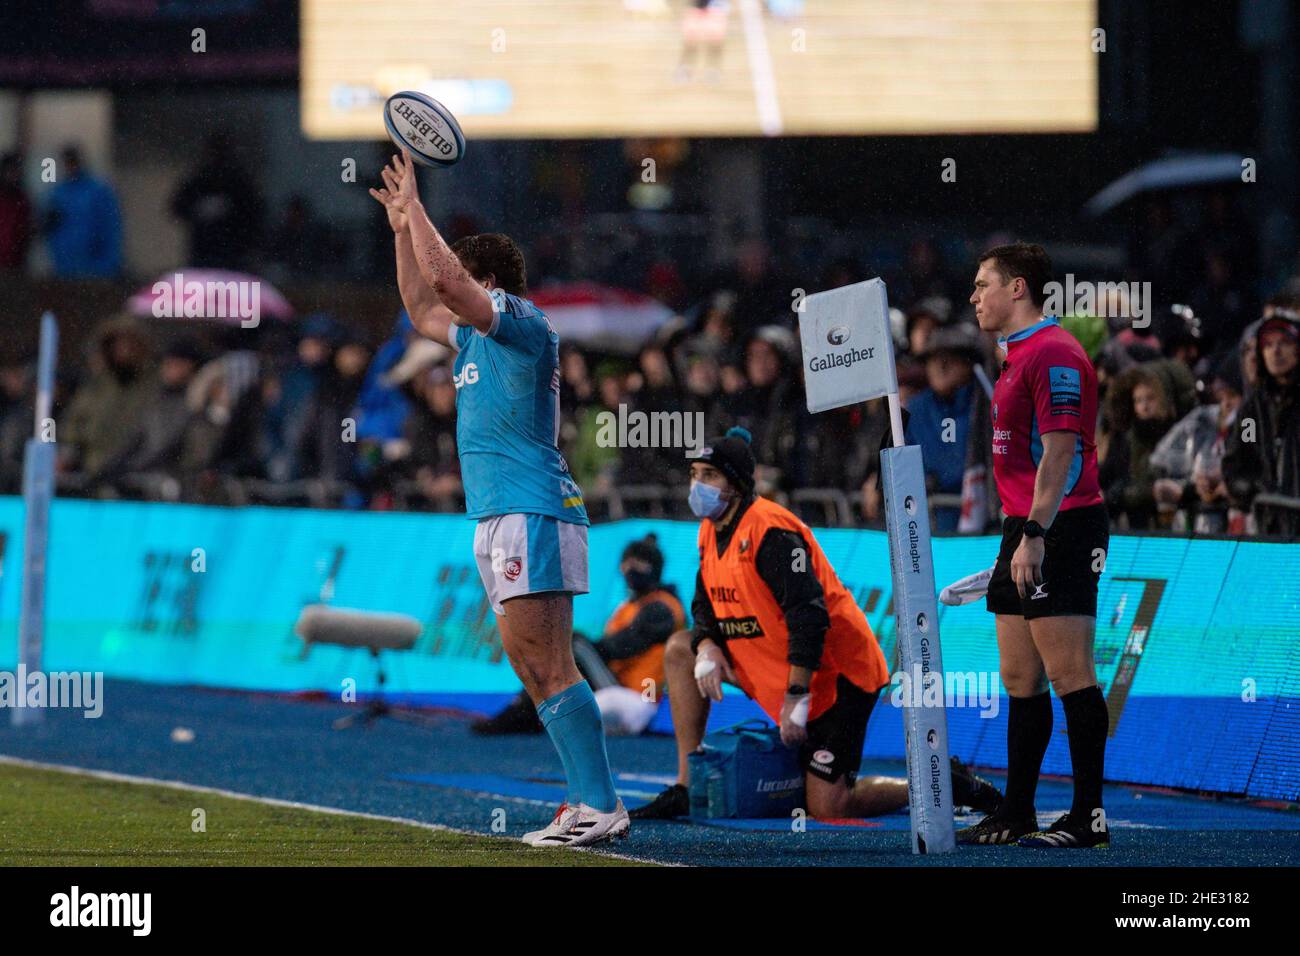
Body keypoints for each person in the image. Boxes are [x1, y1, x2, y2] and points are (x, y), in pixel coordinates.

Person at [369, 150, 626, 848]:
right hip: (502, 513)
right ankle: (585, 802)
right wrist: (399, 228)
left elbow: (445, 285)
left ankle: (602, 804)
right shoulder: (471, 339)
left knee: (548, 661)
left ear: (489, 282)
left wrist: (419, 208)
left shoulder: (522, 322)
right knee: (531, 664)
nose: (442, 273)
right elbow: (424, 304)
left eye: (457, 269)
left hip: (531, 508)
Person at [631, 428, 1001, 820]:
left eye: (709, 476)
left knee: (827, 806)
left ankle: (941, 781)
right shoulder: (711, 530)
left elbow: (809, 614)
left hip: (839, 675)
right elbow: (704, 599)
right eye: (694, 474)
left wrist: (795, 694)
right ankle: (688, 784)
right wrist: (706, 644)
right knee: (680, 650)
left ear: (736, 485)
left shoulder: (771, 531)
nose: (697, 485)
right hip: (771, 660)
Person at [964, 242, 1110, 848]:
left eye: (982, 284)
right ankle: (1018, 811)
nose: (974, 297)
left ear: (1017, 288)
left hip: (1060, 527)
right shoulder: (1016, 355)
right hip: (1022, 527)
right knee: (1020, 677)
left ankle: (1088, 819)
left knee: (1070, 672)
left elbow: (1061, 453)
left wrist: (1034, 534)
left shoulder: (1054, 353)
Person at [472, 533, 686, 736]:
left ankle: (523, 711)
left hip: (634, 698)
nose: (630, 570)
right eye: (626, 564)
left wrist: (583, 654)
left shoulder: (662, 608)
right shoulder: (630, 606)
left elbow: (618, 648)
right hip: (617, 690)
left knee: (573, 644)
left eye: (637, 565)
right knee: (570, 652)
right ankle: (530, 709)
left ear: (653, 569)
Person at [1223, 308, 1300, 536]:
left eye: (1284, 343)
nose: (1275, 351)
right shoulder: (1254, 410)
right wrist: (1252, 490)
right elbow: (1241, 457)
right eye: (1267, 345)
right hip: (1271, 527)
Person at [43, 146, 122, 279]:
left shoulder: (98, 191)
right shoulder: (58, 193)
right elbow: (52, 230)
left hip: (95, 269)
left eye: (72, 162)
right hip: (66, 268)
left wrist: (108, 264)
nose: (70, 167)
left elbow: (110, 228)